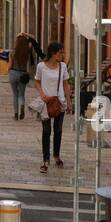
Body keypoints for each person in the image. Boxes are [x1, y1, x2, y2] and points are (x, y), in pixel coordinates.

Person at [35, 42, 68, 173]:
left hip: (59, 102)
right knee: (46, 131)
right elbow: (37, 81)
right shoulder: (41, 66)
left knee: (58, 130)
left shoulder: (63, 66)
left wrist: (69, 100)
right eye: (60, 52)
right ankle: (45, 159)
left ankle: (56, 155)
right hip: (46, 102)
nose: (62, 54)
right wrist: (42, 94)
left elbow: (66, 84)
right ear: (53, 53)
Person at [9, 32, 44, 120]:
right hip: (23, 73)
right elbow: (34, 37)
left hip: (13, 73)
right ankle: (22, 106)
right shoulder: (27, 52)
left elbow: (10, 65)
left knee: (15, 94)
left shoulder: (12, 53)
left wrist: (8, 71)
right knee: (21, 94)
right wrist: (25, 34)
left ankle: (16, 114)